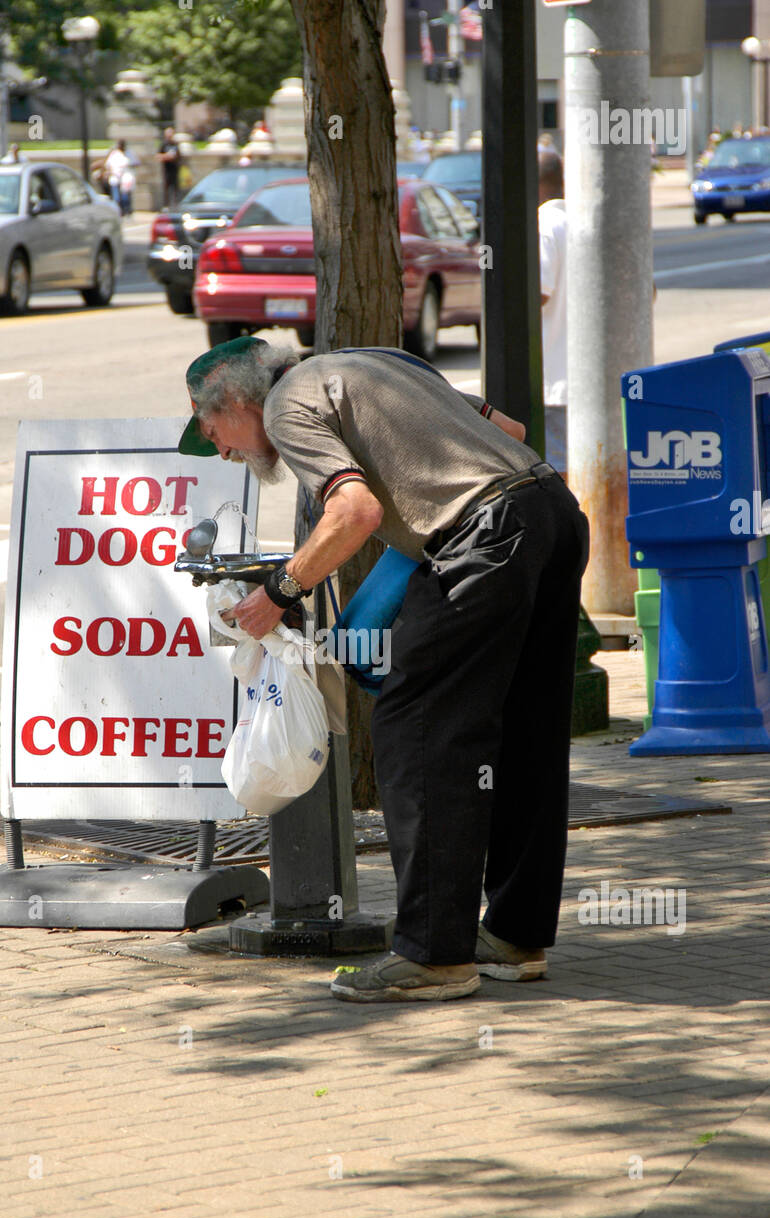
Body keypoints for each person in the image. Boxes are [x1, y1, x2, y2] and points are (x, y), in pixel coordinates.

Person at [176, 336, 590, 1004]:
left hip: (482, 540)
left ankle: (432, 955)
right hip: (552, 514)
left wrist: (280, 590)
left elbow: (355, 511)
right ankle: (514, 936)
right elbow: (508, 430)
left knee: (417, 725)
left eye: (209, 425)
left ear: (236, 400)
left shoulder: (285, 404)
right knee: (525, 733)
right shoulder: (376, 366)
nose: (218, 446)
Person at [538, 147, 567, 479]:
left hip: (555, 381)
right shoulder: (588, 222)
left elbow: (538, 293)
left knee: (559, 473)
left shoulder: (545, 225)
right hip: (592, 383)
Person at [103, 139, 132, 211]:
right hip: (115, 178)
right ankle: (118, 210)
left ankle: (125, 210)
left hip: (124, 178)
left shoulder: (127, 154)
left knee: (125, 196)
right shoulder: (114, 155)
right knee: (116, 197)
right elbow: (108, 165)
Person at [157, 126, 181, 208]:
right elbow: (158, 156)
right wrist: (167, 156)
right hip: (167, 170)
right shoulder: (163, 145)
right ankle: (166, 206)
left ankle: (176, 205)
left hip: (175, 169)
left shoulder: (175, 144)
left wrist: (173, 157)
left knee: (175, 189)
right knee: (166, 189)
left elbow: (179, 156)